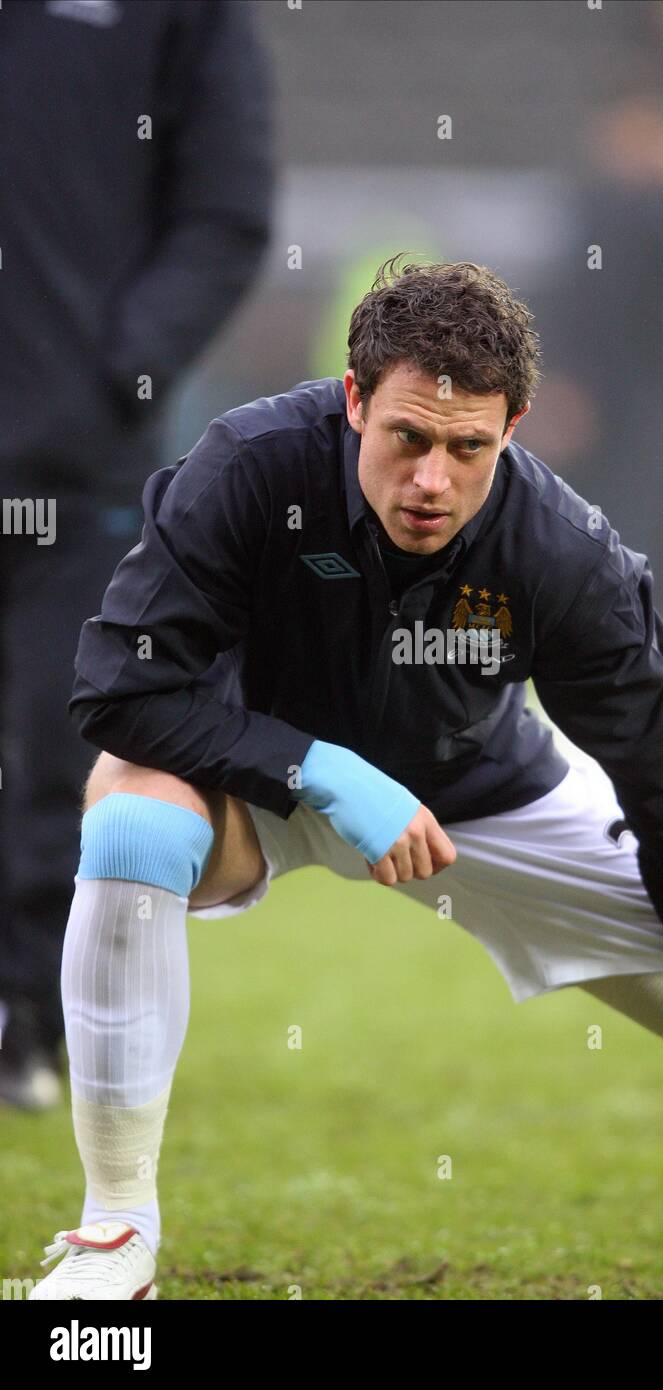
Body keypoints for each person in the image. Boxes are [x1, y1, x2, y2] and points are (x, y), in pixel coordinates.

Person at [29, 258, 663, 1300]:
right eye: (407, 438)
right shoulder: (250, 467)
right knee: (131, 821)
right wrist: (315, 766)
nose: (431, 479)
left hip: (482, 796)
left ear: (514, 427)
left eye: (466, 447)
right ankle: (115, 1235)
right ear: (354, 401)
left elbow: (654, 750)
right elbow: (118, 687)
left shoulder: (562, 550)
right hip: (255, 782)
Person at [0, 0, 273, 1110]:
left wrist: (116, 369)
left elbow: (227, 208)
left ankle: (20, 1017)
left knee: (61, 740)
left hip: (79, 459)